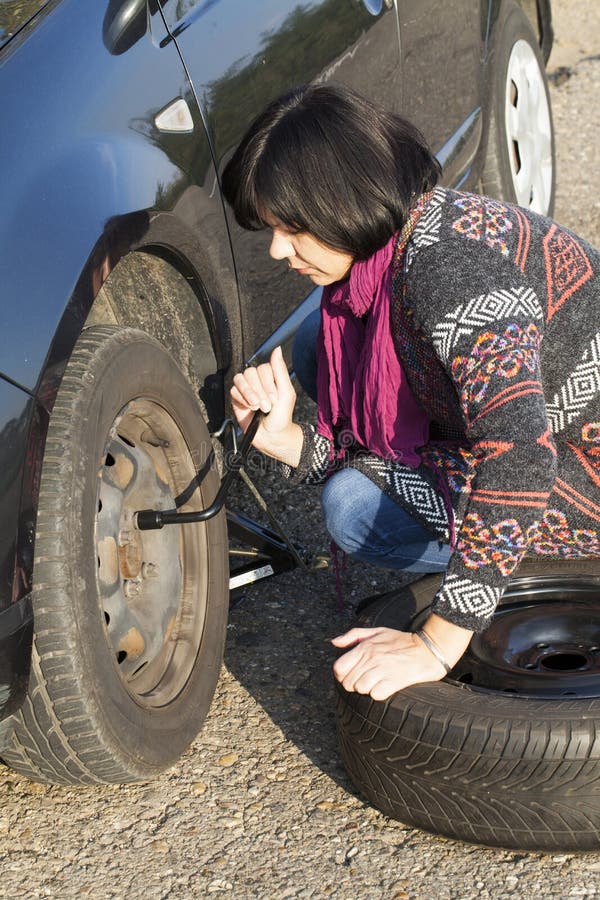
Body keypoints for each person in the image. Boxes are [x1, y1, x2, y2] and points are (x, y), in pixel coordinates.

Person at [222, 83, 600, 702]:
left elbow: (522, 457)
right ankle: (492, 543)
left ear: (344, 201)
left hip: (580, 458)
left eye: (291, 228)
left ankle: (523, 563)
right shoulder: (403, 241)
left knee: (356, 509)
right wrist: (294, 442)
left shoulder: (450, 274)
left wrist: (436, 642)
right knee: (322, 346)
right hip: (554, 428)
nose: (276, 250)